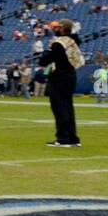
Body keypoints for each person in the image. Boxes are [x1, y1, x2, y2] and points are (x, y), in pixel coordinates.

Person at [42, 19, 83, 147]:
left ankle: (63, 138)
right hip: (71, 75)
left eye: (58, 27)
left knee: (59, 108)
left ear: (63, 29)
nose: (56, 29)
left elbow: (43, 61)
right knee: (68, 107)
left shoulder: (58, 44)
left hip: (59, 77)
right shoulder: (73, 41)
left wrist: (47, 50)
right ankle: (72, 137)